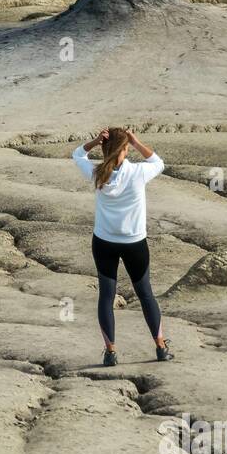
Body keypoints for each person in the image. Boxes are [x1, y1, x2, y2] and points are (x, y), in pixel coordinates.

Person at [72, 127, 172, 366]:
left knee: (106, 296)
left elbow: (77, 155)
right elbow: (158, 161)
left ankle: (110, 353)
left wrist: (95, 142)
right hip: (134, 243)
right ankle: (161, 348)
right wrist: (136, 142)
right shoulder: (138, 173)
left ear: (105, 149)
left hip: (104, 242)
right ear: (125, 150)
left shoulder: (97, 173)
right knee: (146, 294)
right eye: (127, 146)